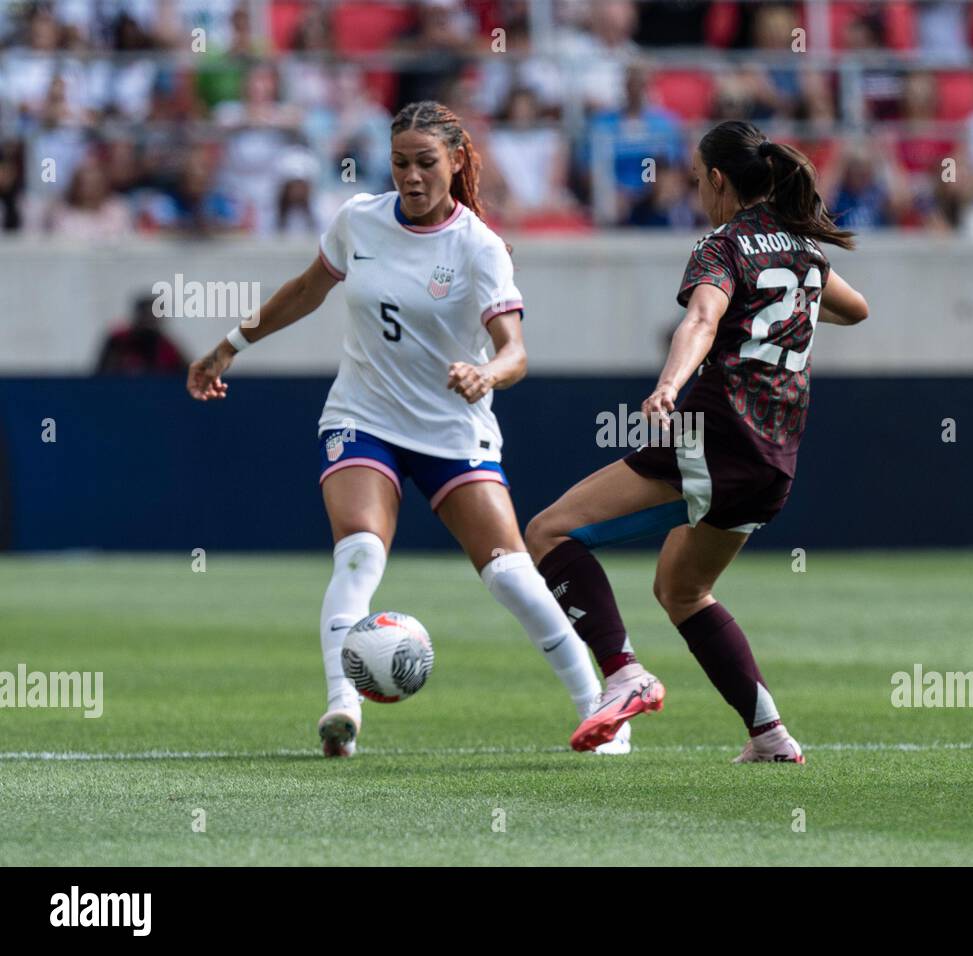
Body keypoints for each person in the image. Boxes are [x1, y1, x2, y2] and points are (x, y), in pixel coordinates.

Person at [185, 101, 624, 758]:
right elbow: (308, 289)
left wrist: (488, 376)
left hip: (451, 426)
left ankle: (600, 712)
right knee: (360, 551)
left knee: (508, 573)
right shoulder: (358, 220)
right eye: (400, 163)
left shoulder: (478, 247)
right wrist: (229, 345)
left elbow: (516, 350)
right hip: (364, 415)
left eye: (425, 163)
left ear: (455, 162)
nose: (412, 176)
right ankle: (342, 707)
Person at [525, 121, 869, 763]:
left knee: (548, 532)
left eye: (694, 173)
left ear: (716, 178)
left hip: (716, 438)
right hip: (776, 459)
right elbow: (858, 308)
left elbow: (703, 317)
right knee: (681, 589)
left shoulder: (724, 243)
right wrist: (801, 298)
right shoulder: (803, 251)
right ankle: (770, 735)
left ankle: (623, 673)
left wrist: (667, 383)